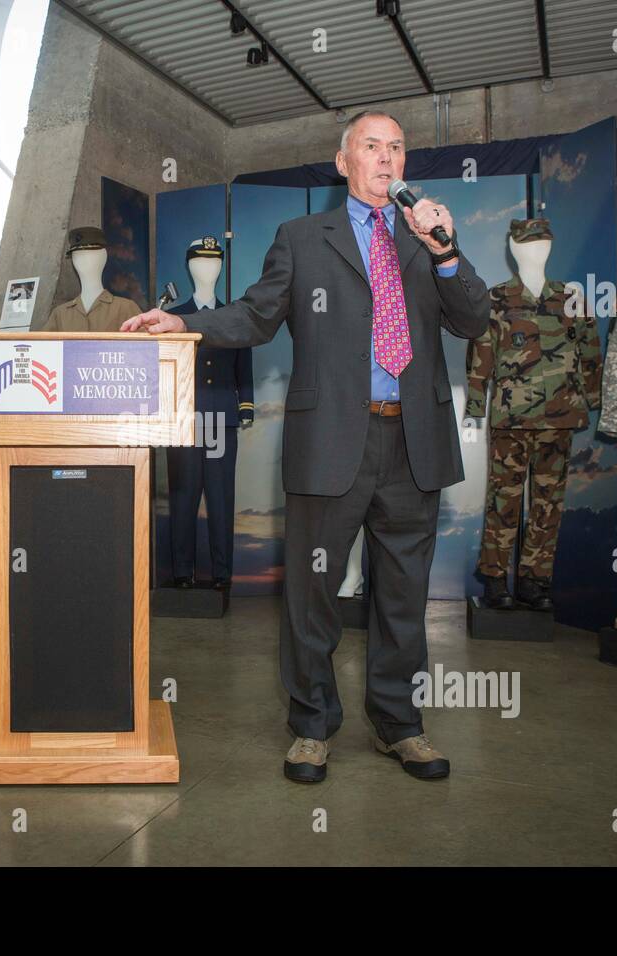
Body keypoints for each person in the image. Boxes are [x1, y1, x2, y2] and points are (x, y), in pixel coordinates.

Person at [122, 111, 489, 783]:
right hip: (330, 443)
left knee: (403, 597)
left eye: (396, 148)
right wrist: (185, 322)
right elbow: (255, 316)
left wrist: (445, 249)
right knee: (312, 596)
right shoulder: (301, 238)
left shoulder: (428, 235)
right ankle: (312, 726)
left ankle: (400, 725)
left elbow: (474, 316)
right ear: (343, 161)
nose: (386, 158)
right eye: (371, 147)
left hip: (416, 444)